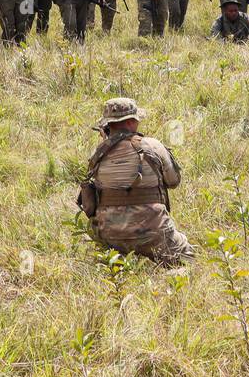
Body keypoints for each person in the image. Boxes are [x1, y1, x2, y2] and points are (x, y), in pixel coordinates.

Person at [78, 97, 192, 266]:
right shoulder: (153, 146)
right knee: (188, 257)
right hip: (155, 235)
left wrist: (107, 142)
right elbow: (174, 181)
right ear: (132, 121)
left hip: (111, 238)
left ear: (108, 125)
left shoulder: (98, 154)